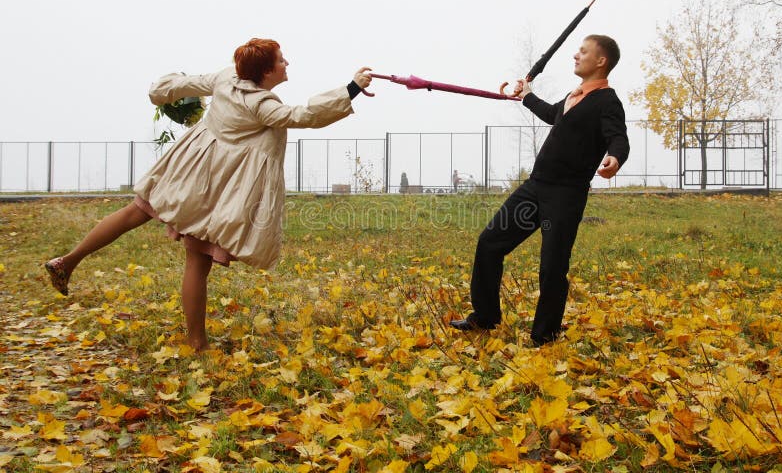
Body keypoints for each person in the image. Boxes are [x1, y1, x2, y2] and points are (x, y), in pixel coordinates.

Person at [44, 38, 373, 351]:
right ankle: (197, 343)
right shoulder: (262, 104)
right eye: (280, 60)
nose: (287, 63)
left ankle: (67, 261)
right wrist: (353, 88)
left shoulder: (226, 77)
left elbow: (183, 84)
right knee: (197, 261)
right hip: (215, 186)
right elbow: (305, 115)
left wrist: (161, 92)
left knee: (136, 211)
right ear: (266, 73)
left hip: (188, 166)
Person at [450, 34, 629, 346]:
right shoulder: (575, 97)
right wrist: (527, 95)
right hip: (535, 188)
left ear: (601, 61)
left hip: (565, 196)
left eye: (583, 51)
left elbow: (618, 137)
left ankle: (544, 335)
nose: (576, 55)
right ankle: (485, 317)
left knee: (552, 267)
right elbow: (552, 115)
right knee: (490, 243)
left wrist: (615, 157)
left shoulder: (607, 102)